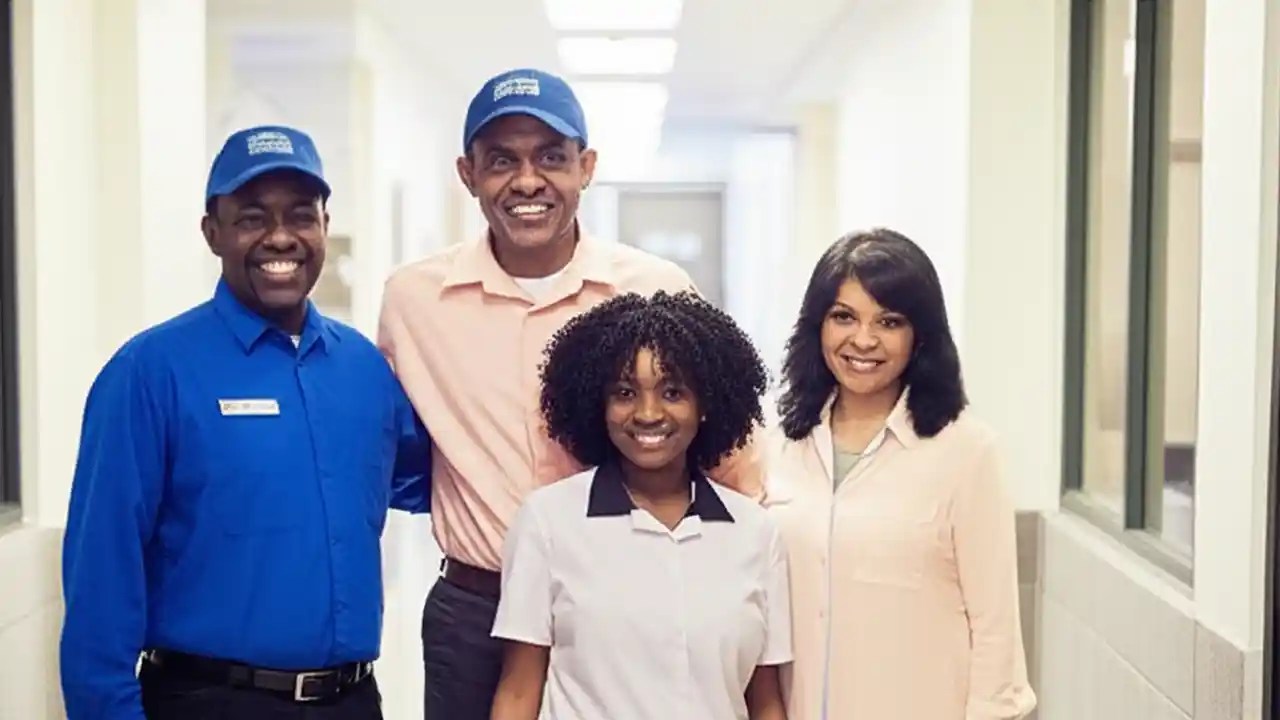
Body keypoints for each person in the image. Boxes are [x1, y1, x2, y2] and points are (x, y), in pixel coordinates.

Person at [376, 68, 762, 719]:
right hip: (478, 611)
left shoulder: (651, 287)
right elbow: (392, 443)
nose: (527, 181)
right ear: (468, 174)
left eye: (550, 157)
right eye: (501, 160)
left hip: (622, 602)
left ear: (585, 167)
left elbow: (726, 455)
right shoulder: (414, 301)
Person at [59, 125, 431, 720]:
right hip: (211, 701)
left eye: (301, 216)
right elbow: (102, 571)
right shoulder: (150, 373)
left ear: (325, 227)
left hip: (353, 702)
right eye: (253, 217)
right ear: (213, 232)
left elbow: (435, 483)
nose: (280, 237)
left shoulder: (364, 369)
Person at [766, 228, 1036, 719]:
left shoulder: (966, 452)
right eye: (843, 317)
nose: (863, 340)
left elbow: (996, 631)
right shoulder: (776, 444)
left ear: (920, 336)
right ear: (817, 326)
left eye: (889, 321)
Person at [490, 290, 790, 720]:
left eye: (672, 392)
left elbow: (764, 703)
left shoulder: (756, 533)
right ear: (599, 403)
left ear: (706, 405)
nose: (648, 413)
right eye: (625, 392)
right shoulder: (548, 521)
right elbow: (518, 693)